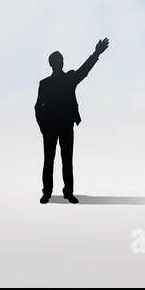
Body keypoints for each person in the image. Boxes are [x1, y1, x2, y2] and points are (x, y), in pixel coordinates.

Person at [35, 38, 110, 203]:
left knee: (61, 160)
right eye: (58, 61)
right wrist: (43, 127)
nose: (59, 63)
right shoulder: (50, 83)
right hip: (53, 127)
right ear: (57, 63)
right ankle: (51, 192)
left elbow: (84, 70)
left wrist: (96, 53)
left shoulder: (63, 80)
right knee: (54, 160)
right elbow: (38, 107)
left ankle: (63, 192)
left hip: (64, 126)